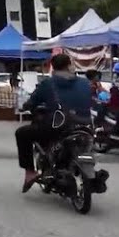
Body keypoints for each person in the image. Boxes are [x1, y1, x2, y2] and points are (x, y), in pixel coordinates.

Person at [15, 54, 93, 192]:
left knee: (22, 133)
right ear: (69, 65)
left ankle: (30, 172)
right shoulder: (85, 83)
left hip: (59, 127)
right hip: (85, 126)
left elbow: (32, 102)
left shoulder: (48, 83)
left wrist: (26, 106)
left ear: (53, 67)